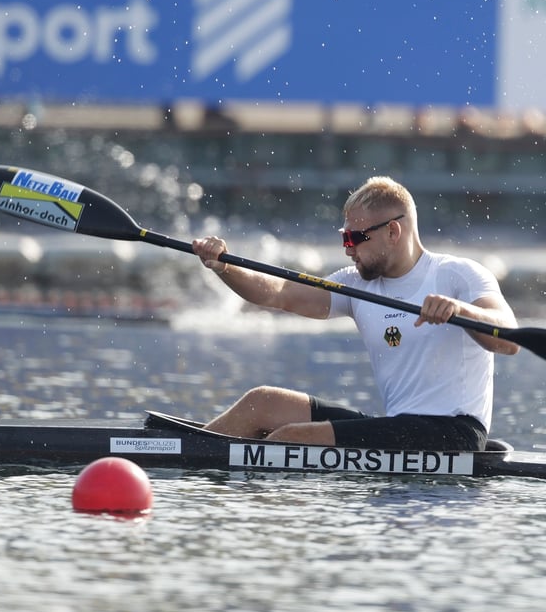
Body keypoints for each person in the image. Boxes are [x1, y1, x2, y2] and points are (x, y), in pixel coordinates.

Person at [191, 176, 519, 451]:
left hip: (453, 432)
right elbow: (279, 294)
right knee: (261, 403)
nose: (347, 249)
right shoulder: (354, 284)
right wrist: (224, 266)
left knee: (291, 440)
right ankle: (185, 452)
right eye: (343, 238)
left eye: (354, 238)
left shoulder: (458, 275)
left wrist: (459, 310)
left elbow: (509, 339)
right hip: (399, 427)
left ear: (393, 232)